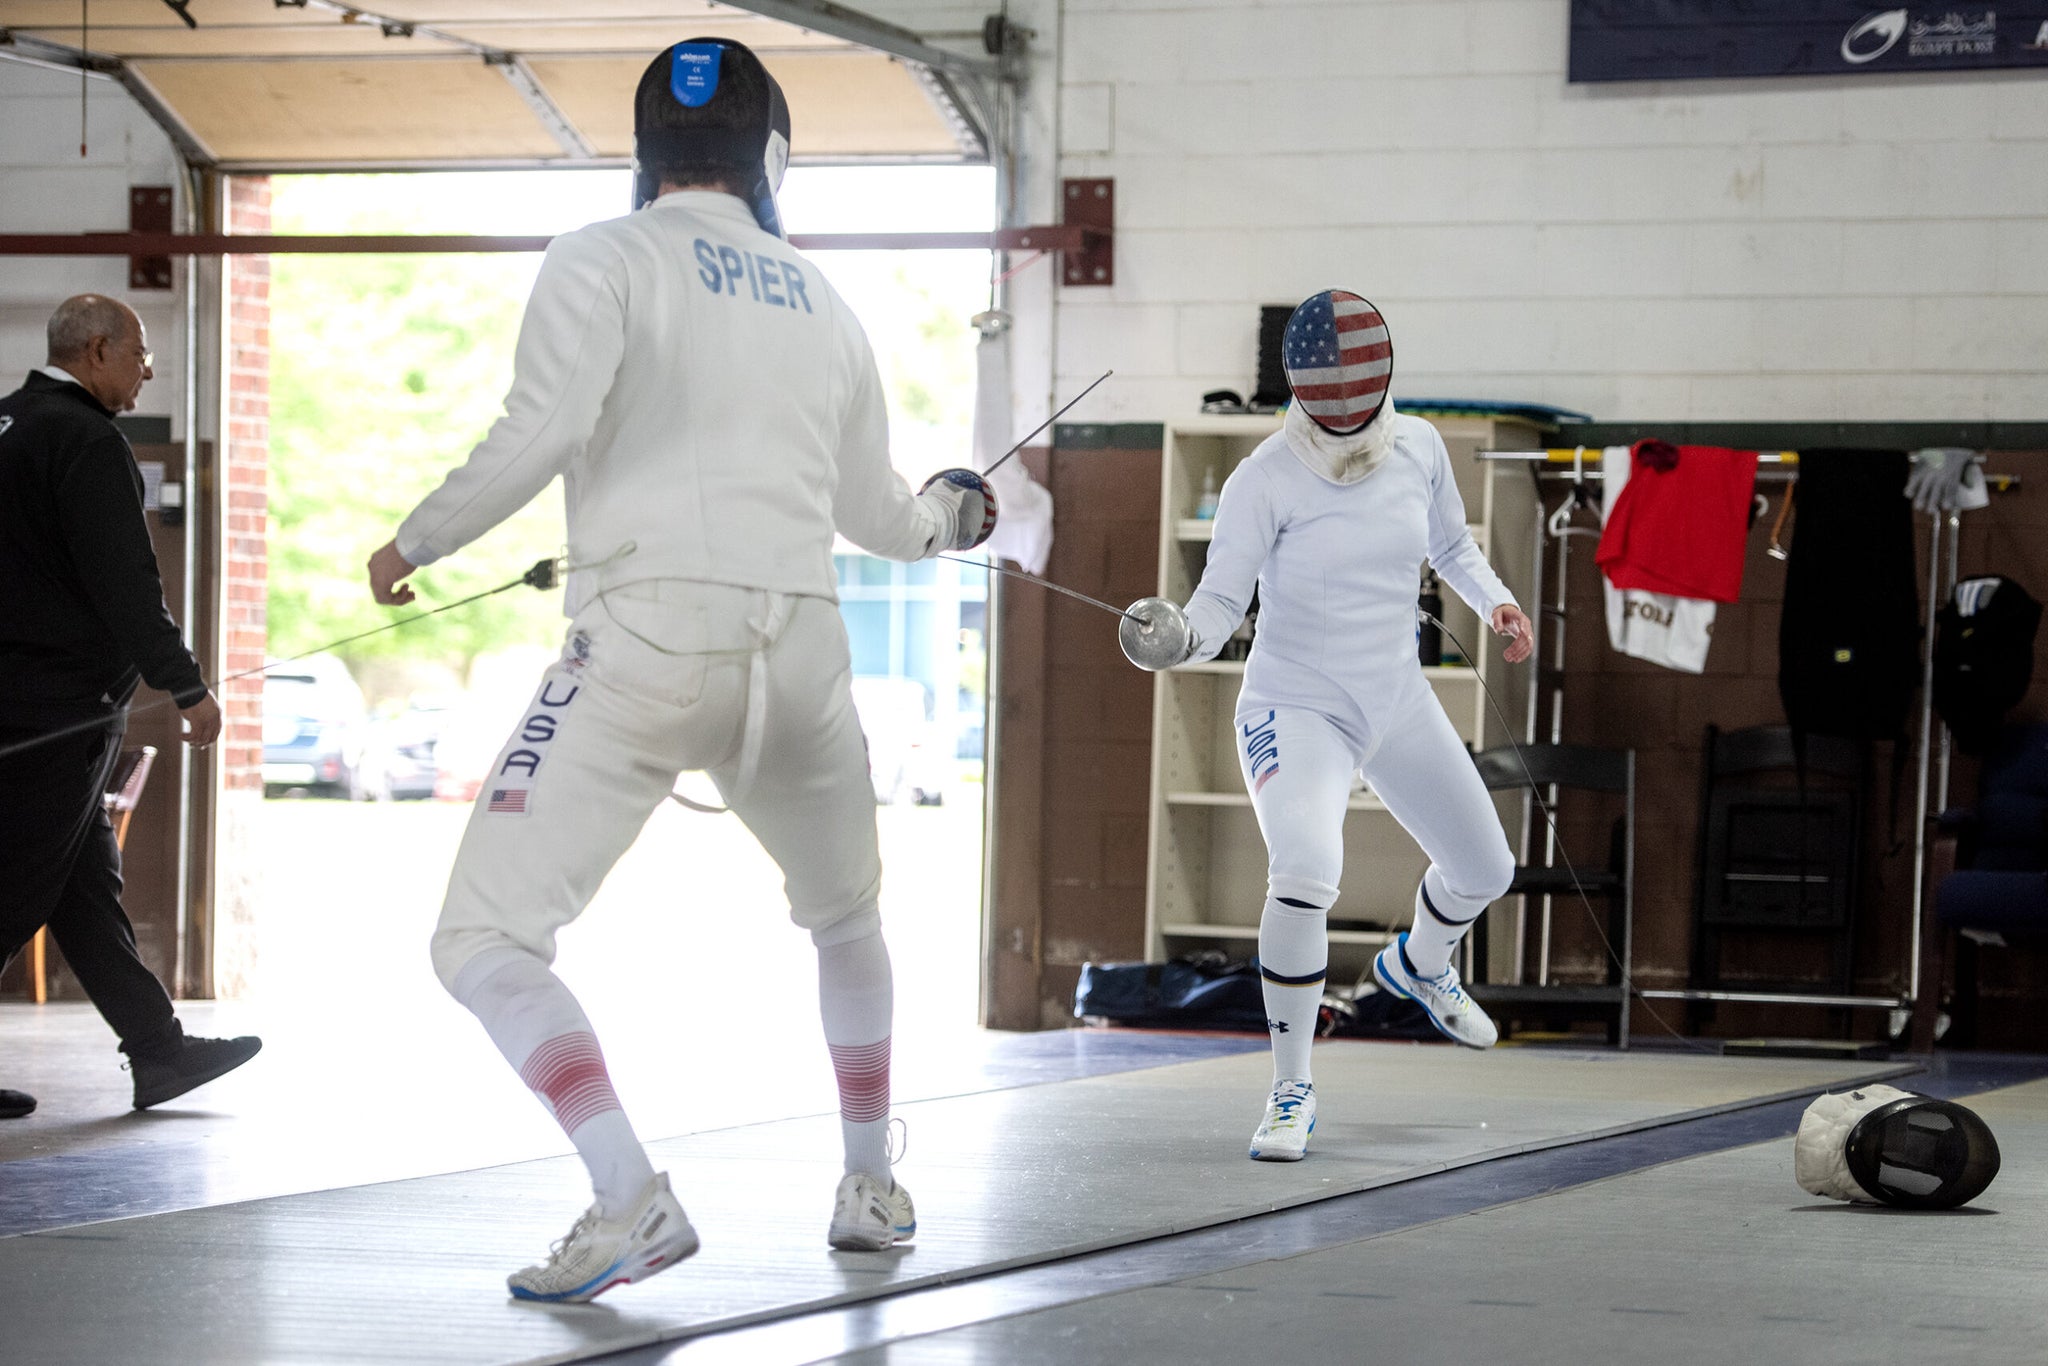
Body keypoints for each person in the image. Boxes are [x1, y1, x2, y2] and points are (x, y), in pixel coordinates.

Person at [365, 38, 996, 1303]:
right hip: (801, 659)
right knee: (846, 918)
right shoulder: (824, 304)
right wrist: (950, 514)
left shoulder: (602, 256)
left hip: (642, 646)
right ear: (770, 159)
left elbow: (540, 427)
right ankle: (867, 1183)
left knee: (483, 935)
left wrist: (413, 542)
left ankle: (626, 1195)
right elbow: (881, 516)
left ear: (648, 153)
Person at [1125, 291, 1532, 1162]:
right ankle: (1291, 1089)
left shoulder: (1418, 445)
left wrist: (1496, 602)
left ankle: (1419, 966)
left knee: (1487, 868)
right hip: (1295, 705)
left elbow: (1451, 546)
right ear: (1303, 393)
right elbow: (1220, 603)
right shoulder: (1263, 477)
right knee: (1307, 870)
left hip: (1395, 697)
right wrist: (1180, 637)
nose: (1347, 416)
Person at [0, 294, 262, 1116]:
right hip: (58, 710)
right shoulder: (83, 439)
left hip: (22, 703)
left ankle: (158, 1050)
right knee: (15, 886)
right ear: (97, 351)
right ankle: (158, 1048)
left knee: (81, 884)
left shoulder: (7, 424)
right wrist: (186, 685)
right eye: (141, 354)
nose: (148, 370)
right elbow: (126, 584)